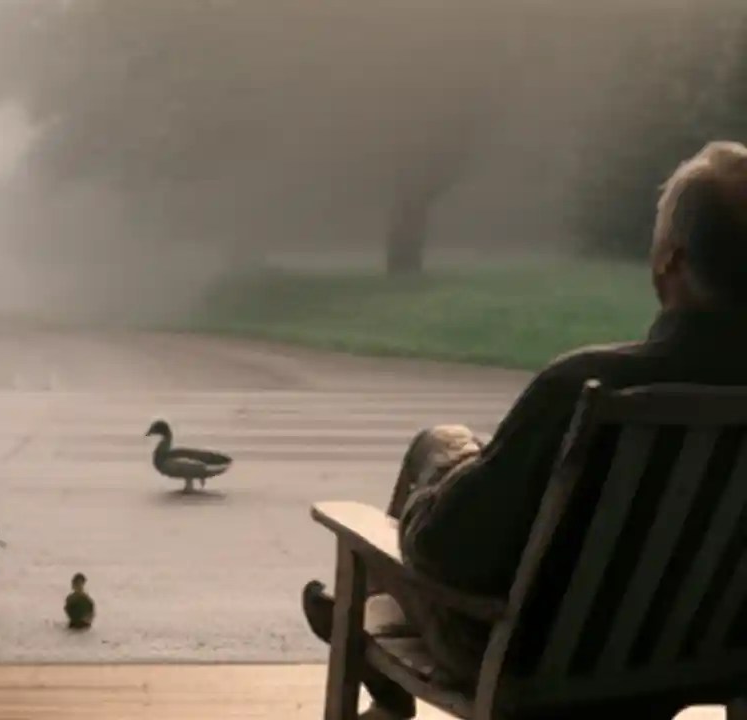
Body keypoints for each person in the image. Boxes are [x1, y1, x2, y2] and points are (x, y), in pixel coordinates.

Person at [302, 140, 747, 719]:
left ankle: (367, 636)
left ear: (669, 261)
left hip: (528, 665)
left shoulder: (586, 387)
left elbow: (446, 554)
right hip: (708, 658)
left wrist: (444, 465)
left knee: (435, 451)